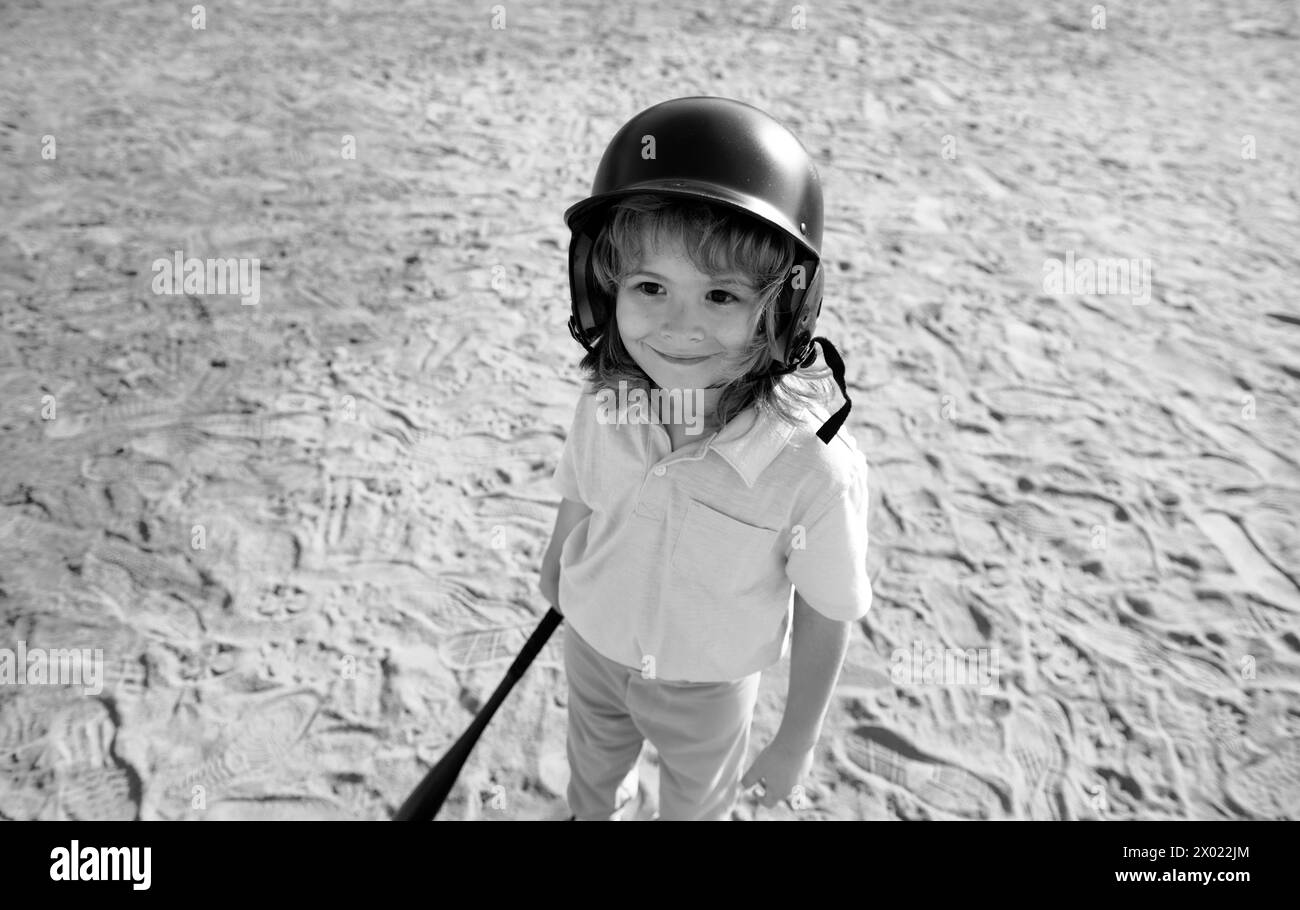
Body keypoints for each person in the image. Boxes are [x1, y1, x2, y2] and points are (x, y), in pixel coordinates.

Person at [539, 97, 871, 820]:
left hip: (707, 688)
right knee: (592, 785)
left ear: (783, 307)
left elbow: (827, 609)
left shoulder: (811, 468)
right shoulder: (607, 404)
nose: (678, 325)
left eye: (720, 294)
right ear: (606, 289)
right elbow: (583, 492)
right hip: (594, 645)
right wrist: (557, 559)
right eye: (649, 287)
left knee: (695, 809)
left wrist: (797, 741)